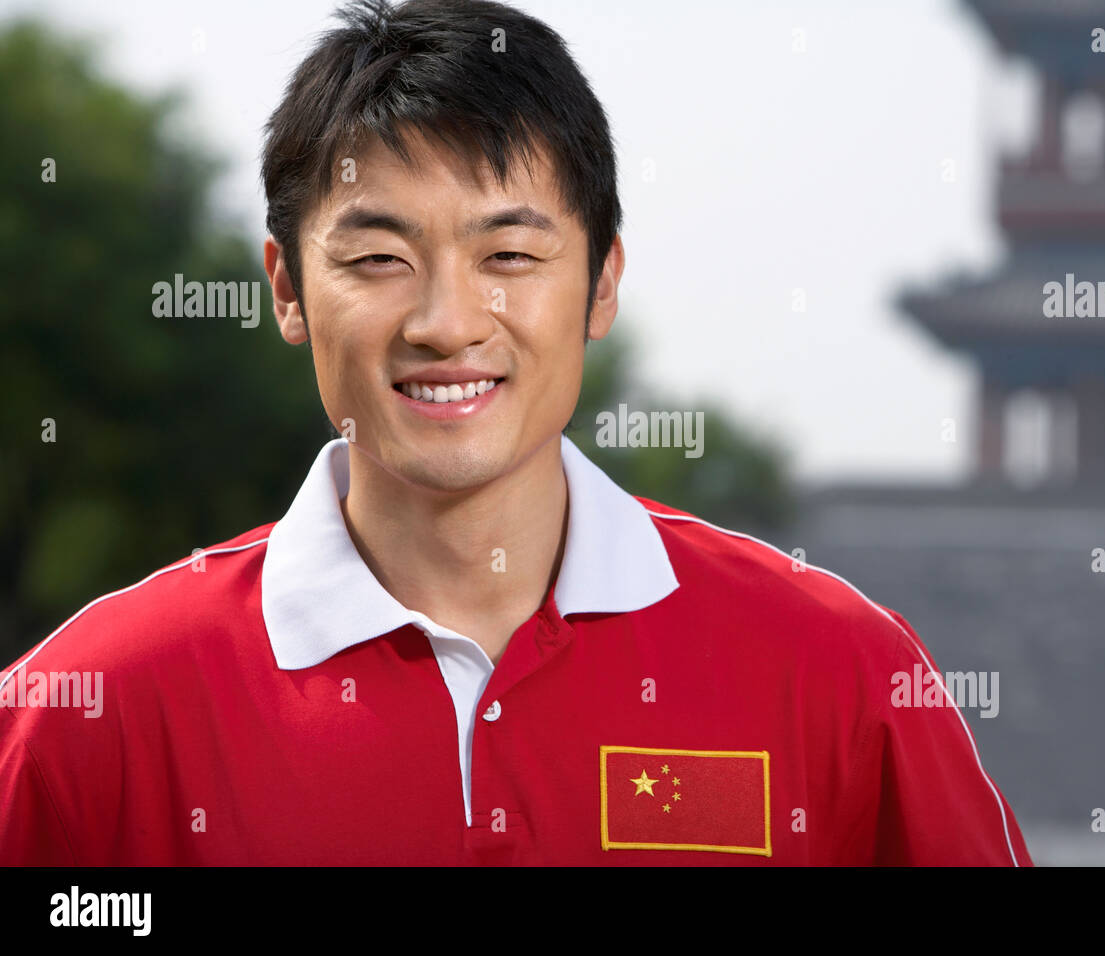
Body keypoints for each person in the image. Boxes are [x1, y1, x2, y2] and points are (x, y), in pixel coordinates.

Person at [0, 0, 1032, 865]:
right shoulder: (90, 710)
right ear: (286, 288)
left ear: (602, 282)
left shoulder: (837, 673)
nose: (446, 323)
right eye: (376, 260)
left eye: (508, 254)